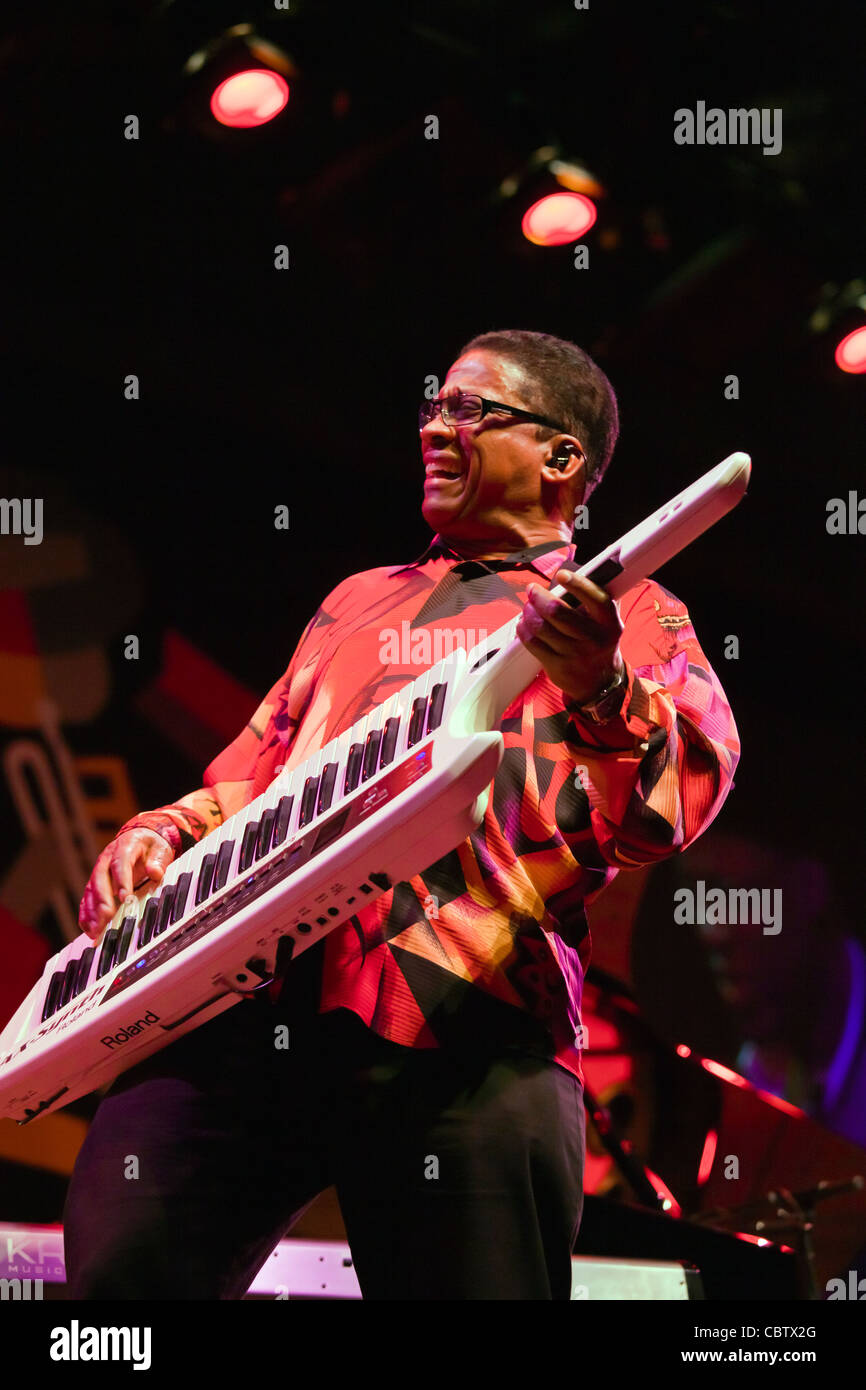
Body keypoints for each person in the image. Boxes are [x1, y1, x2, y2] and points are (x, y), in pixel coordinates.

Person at [63, 329, 739, 1300]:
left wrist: (598, 686)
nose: (434, 425)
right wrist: (161, 830)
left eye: (471, 409)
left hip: (470, 1030)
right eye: (433, 405)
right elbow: (256, 780)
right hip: (250, 1015)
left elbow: (669, 810)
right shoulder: (357, 603)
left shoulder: (630, 611)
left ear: (560, 458)